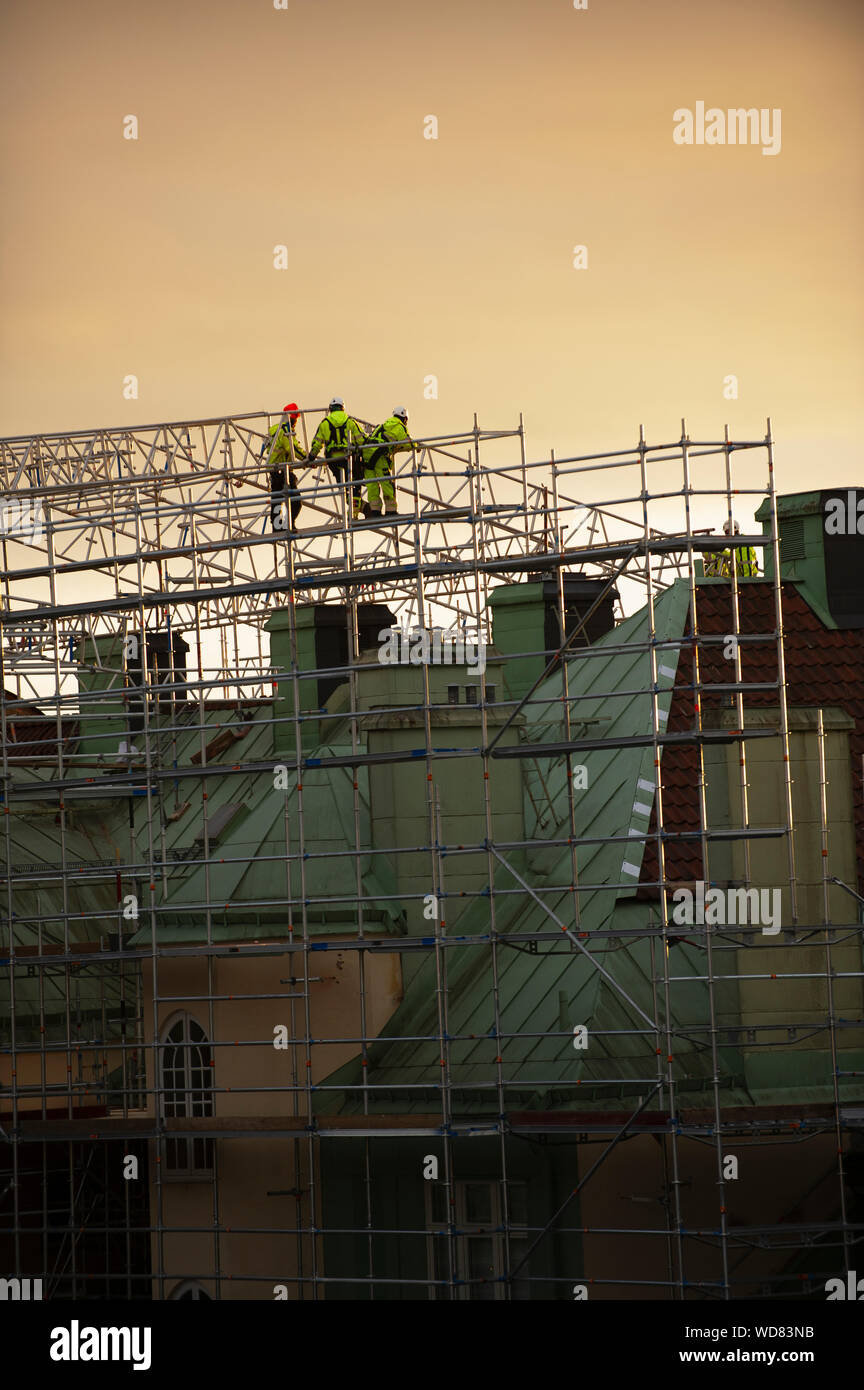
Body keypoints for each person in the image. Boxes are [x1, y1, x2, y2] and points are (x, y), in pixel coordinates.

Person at [307, 397, 367, 521]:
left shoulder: (325, 423)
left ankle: (360, 509)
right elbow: (362, 440)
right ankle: (357, 513)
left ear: (330, 409)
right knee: (355, 486)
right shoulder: (350, 421)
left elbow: (317, 443)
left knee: (344, 490)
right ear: (342, 408)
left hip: (334, 462)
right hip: (350, 459)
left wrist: (311, 457)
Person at [360, 406, 418, 517]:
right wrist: (416, 446)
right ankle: (391, 511)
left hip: (367, 453)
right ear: (405, 419)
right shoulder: (400, 427)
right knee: (387, 484)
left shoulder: (383, 425)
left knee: (372, 485)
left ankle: (375, 511)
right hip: (379, 455)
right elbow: (408, 443)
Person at [264, 403, 305, 534]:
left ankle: (278, 528)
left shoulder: (277, 429)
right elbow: (292, 449)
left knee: (277, 501)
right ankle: (287, 525)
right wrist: (308, 458)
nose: (296, 422)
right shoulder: (284, 431)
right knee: (295, 501)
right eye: (295, 419)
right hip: (281, 470)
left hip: (277, 470)